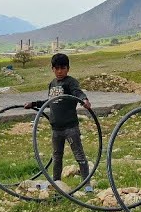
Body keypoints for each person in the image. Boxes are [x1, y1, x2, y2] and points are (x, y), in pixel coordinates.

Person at [24, 53, 94, 191]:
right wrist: (34, 103)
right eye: (56, 68)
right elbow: (49, 103)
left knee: (79, 156)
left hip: (70, 128)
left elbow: (77, 93)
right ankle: (56, 184)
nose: (59, 71)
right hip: (56, 129)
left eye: (62, 68)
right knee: (57, 157)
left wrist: (84, 100)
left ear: (68, 68)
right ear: (52, 69)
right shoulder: (52, 84)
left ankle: (87, 185)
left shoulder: (70, 82)